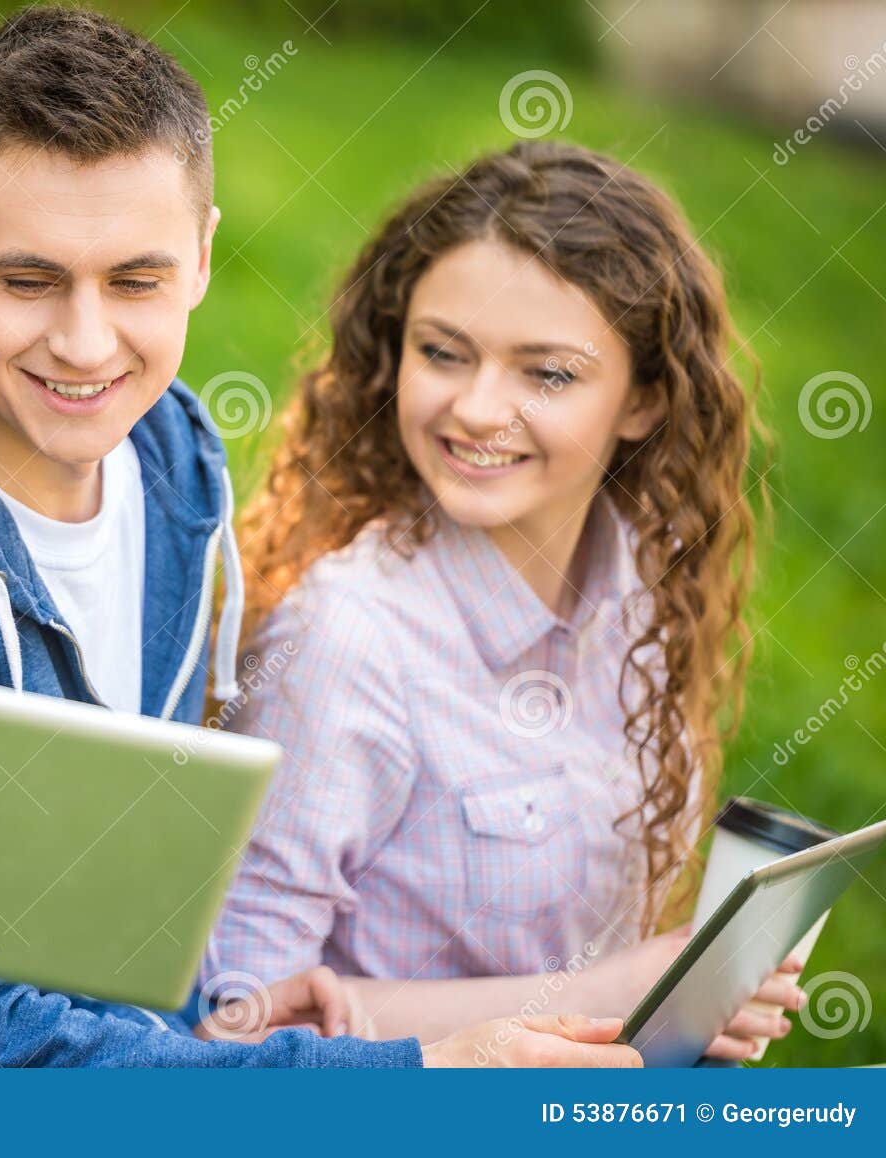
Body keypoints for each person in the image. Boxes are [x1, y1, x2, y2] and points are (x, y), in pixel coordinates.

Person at [0, 7, 638, 1069]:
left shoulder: (171, 455)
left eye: (136, 280)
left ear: (204, 258)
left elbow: (109, 895)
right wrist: (421, 1074)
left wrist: (223, 1004)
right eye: (26, 281)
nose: (83, 343)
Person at [205, 141, 804, 1059]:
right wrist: (623, 991)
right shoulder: (348, 640)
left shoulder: (644, 588)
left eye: (547, 374)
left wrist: (677, 1011)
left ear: (644, 399)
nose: (481, 410)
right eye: (444, 353)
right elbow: (236, 1023)